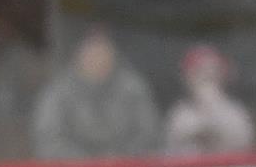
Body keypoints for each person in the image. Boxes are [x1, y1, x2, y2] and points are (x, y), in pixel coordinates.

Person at [32, 25, 160, 160]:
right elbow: (48, 140)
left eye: (103, 53)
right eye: (91, 53)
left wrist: (118, 159)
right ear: (78, 56)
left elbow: (149, 134)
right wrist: (86, 163)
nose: (97, 59)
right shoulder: (58, 93)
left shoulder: (133, 89)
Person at [162, 44, 255, 157]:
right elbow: (170, 151)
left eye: (212, 71)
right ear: (187, 78)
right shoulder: (180, 114)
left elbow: (245, 146)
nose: (206, 76)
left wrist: (213, 112)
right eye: (199, 72)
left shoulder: (235, 111)